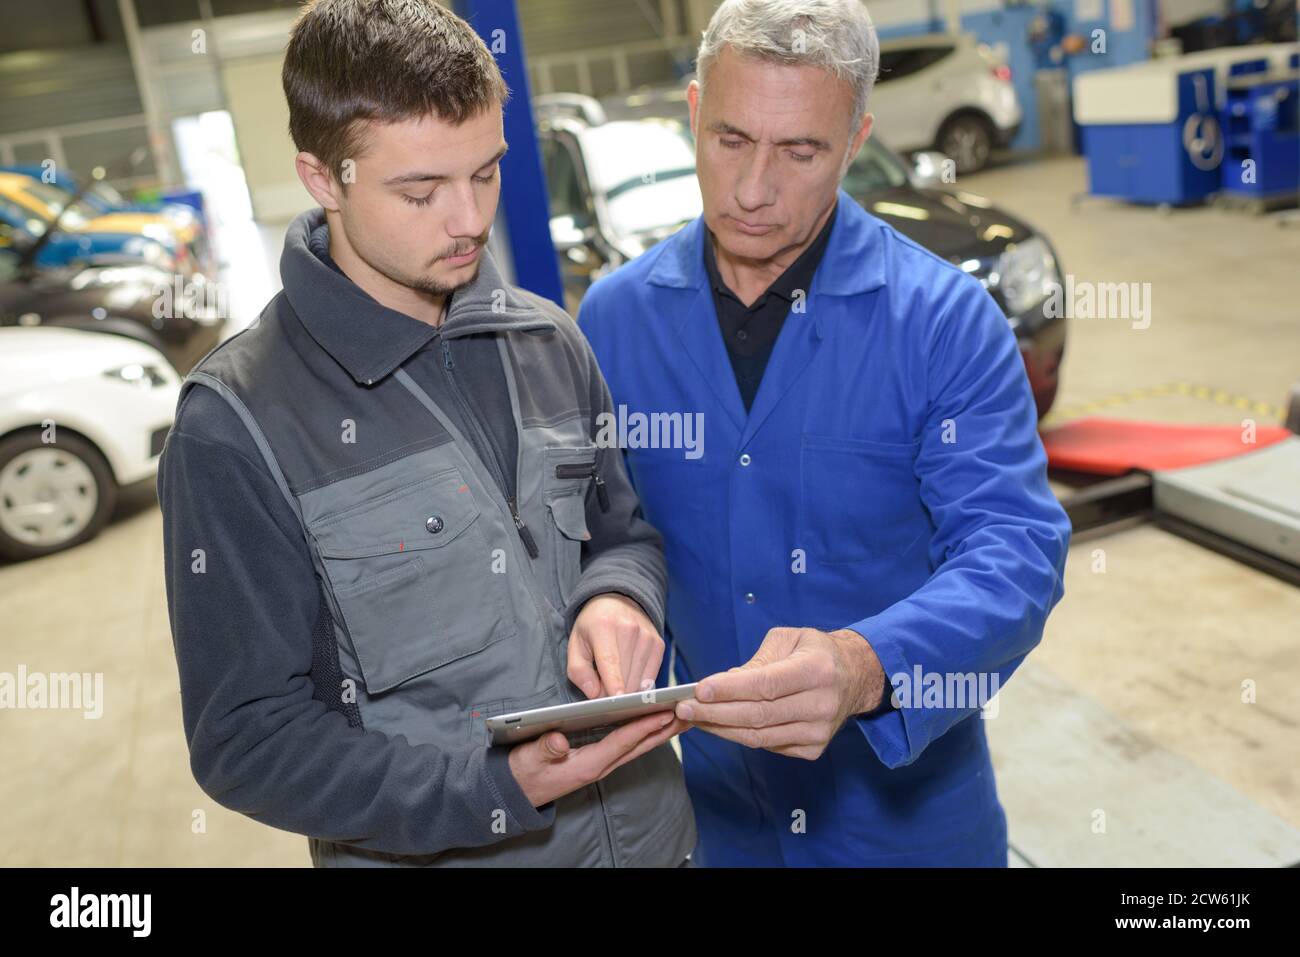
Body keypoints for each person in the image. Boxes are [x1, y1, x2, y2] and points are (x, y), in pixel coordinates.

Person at [159, 0, 695, 867]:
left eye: (485, 173)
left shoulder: (545, 338)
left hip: (655, 839)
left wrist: (620, 596)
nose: (469, 220)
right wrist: (488, 793)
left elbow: (623, 532)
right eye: (421, 189)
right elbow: (247, 739)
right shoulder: (237, 424)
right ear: (322, 177)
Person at [578, 0, 1071, 866]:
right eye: (730, 139)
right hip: (715, 823)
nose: (753, 188)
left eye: (801, 151)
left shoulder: (942, 322)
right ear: (694, 113)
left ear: (853, 142)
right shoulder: (615, 322)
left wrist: (868, 663)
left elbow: (1015, 548)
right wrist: (607, 599)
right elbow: (604, 533)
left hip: (915, 825)